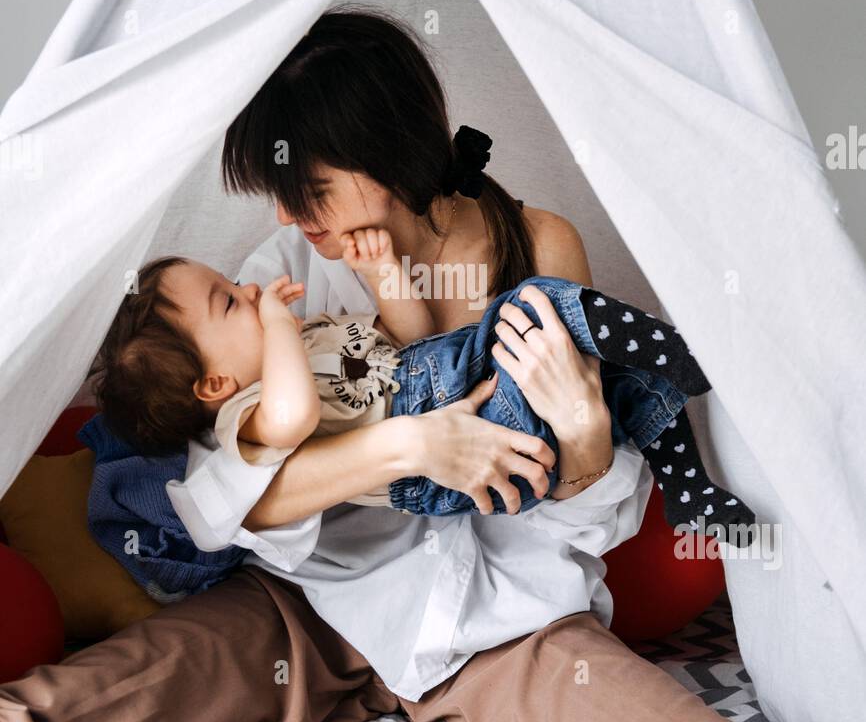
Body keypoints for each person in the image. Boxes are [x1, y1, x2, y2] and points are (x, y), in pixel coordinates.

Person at [2, 6, 866, 722]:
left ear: (383, 154)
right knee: (91, 707)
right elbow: (225, 498)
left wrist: (581, 435)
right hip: (315, 608)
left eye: (312, 190)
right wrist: (405, 449)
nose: (293, 219)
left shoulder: (542, 251)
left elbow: (587, 509)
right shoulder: (290, 267)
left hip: (497, 623)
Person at [89, 219, 754, 533]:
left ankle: (688, 487)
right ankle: (689, 352)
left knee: (613, 386)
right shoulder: (253, 414)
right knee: (537, 306)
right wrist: (278, 327)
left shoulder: (315, 333)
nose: (249, 287)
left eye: (236, 283)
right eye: (230, 299)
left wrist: (383, 278)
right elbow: (298, 418)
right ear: (214, 387)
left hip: (442, 376)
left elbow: (408, 338)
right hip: (434, 447)